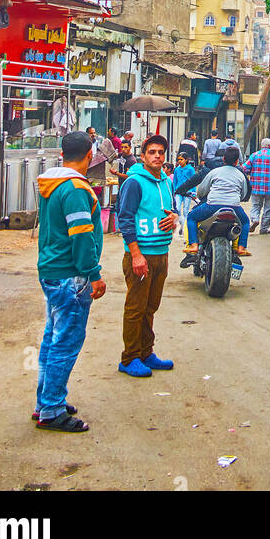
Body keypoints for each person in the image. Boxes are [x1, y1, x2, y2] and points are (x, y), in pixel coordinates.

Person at [35, 130, 106, 432]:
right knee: (66, 340)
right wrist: (93, 273)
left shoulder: (52, 182)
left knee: (53, 338)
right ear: (90, 154)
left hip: (52, 271)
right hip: (70, 276)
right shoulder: (75, 188)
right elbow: (80, 235)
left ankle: (48, 400)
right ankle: (51, 409)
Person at [117, 135, 178, 378]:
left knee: (150, 307)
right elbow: (125, 219)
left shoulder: (167, 182)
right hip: (140, 256)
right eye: (152, 152)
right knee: (135, 308)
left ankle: (146, 352)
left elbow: (172, 210)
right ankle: (129, 357)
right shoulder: (134, 182)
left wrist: (174, 219)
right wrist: (135, 255)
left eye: (161, 152)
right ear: (143, 156)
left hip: (161, 254)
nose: (157, 156)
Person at [185, 146, 251, 257]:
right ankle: (241, 247)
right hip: (234, 208)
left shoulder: (215, 172)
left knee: (191, 217)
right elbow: (243, 194)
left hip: (212, 206)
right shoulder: (241, 175)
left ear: (223, 159)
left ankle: (193, 245)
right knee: (245, 222)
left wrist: (202, 197)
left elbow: (201, 190)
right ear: (237, 161)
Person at [242, 138, 270, 234]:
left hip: (256, 187)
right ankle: (264, 229)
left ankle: (255, 219)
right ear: (269, 146)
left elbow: (244, 168)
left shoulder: (254, 156)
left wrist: (250, 174)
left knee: (256, 206)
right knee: (267, 209)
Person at [172, 153, 196, 233]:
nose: (180, 161)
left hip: (188, 192)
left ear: (186, 160)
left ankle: (184, 229)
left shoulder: (190, 169)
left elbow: (193, 181)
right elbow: (175, 181)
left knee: (186, 210)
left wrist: (193, 192)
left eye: (181, 159)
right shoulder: (176, 169)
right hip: (178, 191)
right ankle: (183, 224)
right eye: (178, 159)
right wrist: (174, 190)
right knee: (177, 208)